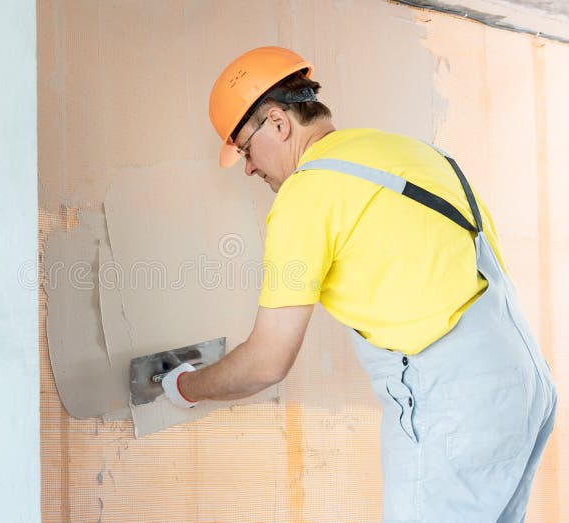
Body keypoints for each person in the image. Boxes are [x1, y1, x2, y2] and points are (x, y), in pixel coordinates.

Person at [160, 46, 557, 522]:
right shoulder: (408, 151)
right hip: (523, 384)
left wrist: (187, 386)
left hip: (453, 408)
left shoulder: (306, 192)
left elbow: (267, 362)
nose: (248, 167)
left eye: (246, 149)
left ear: (279, 123)